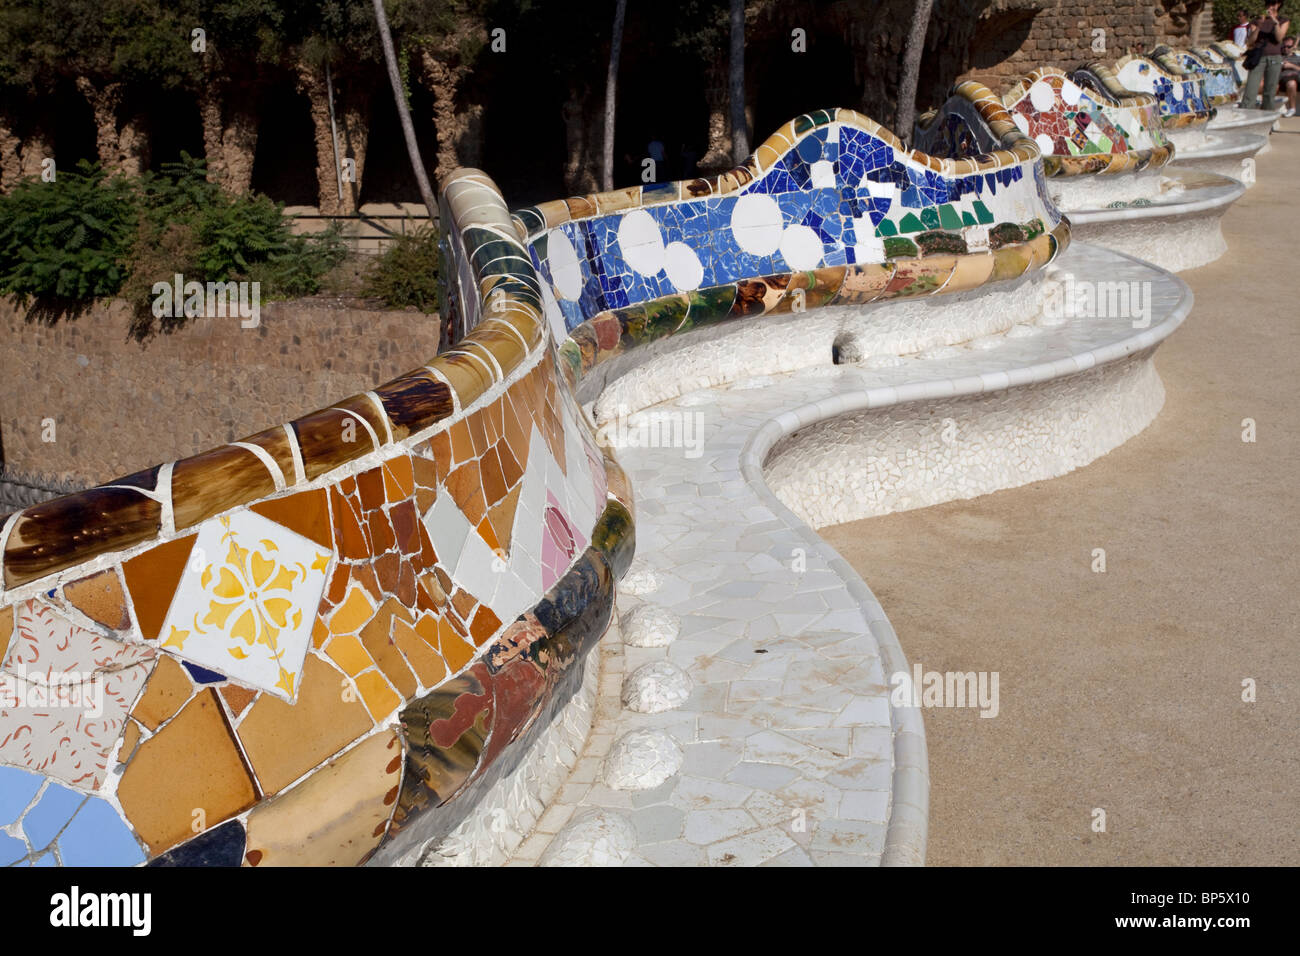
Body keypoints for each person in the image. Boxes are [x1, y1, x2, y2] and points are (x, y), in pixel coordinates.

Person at [1241, 2, 1292, 110]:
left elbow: (1279, 38)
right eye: (1268, 4)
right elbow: (1250, 42)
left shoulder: (1283, 20)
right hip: (1258, 57)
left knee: (1270, 91)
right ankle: (1246, 115)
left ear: (1278, 5)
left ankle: (1267, 118)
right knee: (1251, 89)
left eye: (1273, 4)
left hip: (1275, 57)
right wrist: (1259, 26)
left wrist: (1275, 22)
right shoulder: (1256, 21)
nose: (1270, 7)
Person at [1279, 33, 1300, 114]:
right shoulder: (1279, 57)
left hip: (1298, 77)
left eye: (1288, 47)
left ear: (1293, 47)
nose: (1286, 49)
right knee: (1291, 83)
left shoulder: (1298, 58)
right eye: (1284, 46)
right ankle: (1292, 108)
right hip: (1285, 79)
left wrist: (1292, 66)